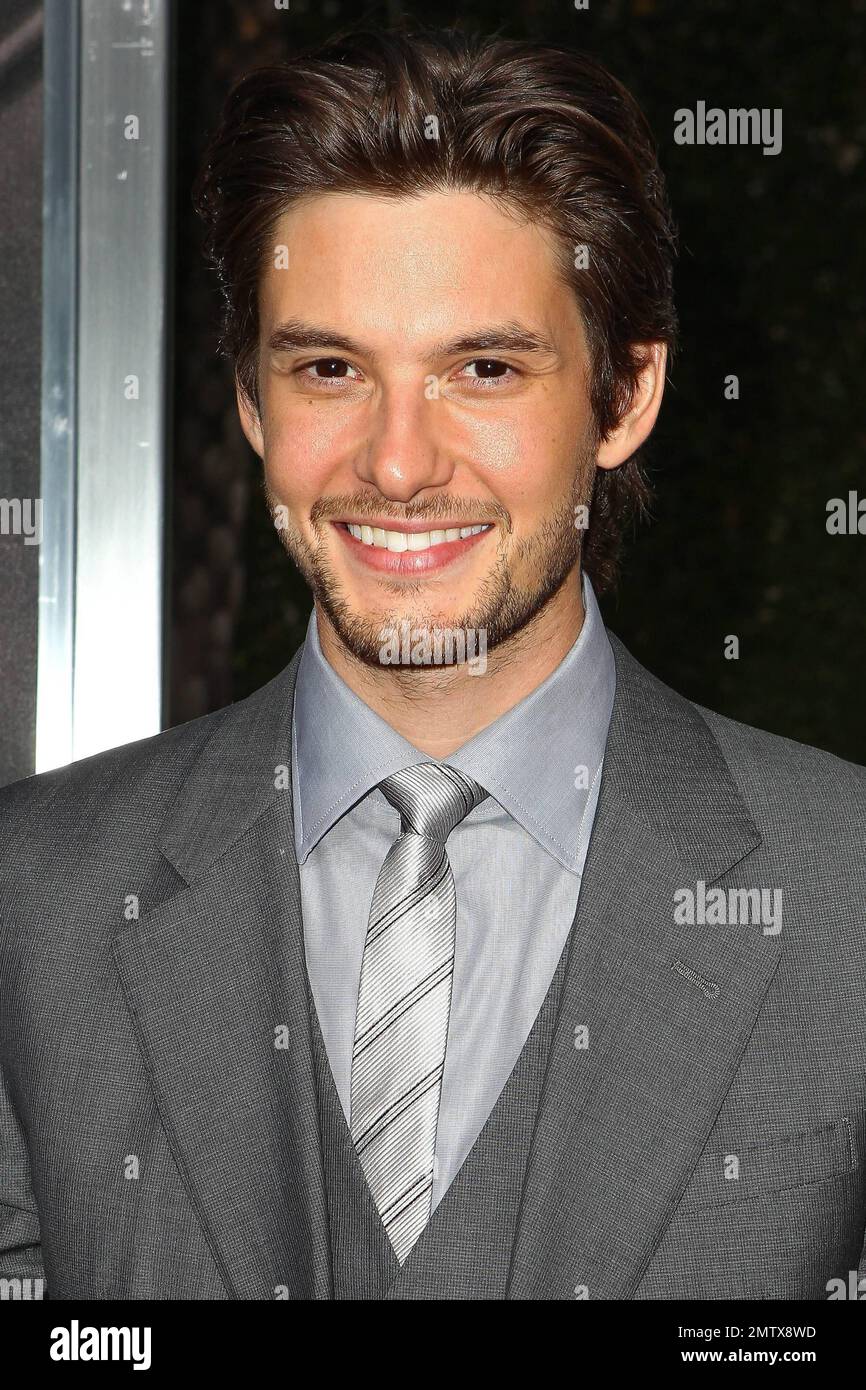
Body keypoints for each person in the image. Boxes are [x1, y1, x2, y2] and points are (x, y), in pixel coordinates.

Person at [1, 25, 864, 1302]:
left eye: (482, 369)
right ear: (249, 399)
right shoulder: (32, 899)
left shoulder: (842, 889)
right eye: (331, 368)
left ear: (624, 398)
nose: (397, 464)